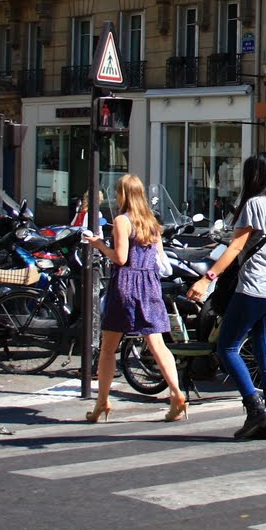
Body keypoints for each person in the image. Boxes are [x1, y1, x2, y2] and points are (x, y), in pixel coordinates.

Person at [185, 152, 266, 441]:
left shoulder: (253, 204)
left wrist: (207, 278)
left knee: (227, 348)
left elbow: (235, 247)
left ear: (254, 176)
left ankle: (255, 409)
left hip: (255, 289)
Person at [83, 174, 186, 424]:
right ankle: (176, 393)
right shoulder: (152, 222)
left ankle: (102, 402)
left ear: (122, 195)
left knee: (108, 348)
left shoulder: (122, 220)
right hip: (150, 285)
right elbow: (160, 260)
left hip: (126, 285)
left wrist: (98, 244)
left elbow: (120, 258)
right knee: (157, 344)